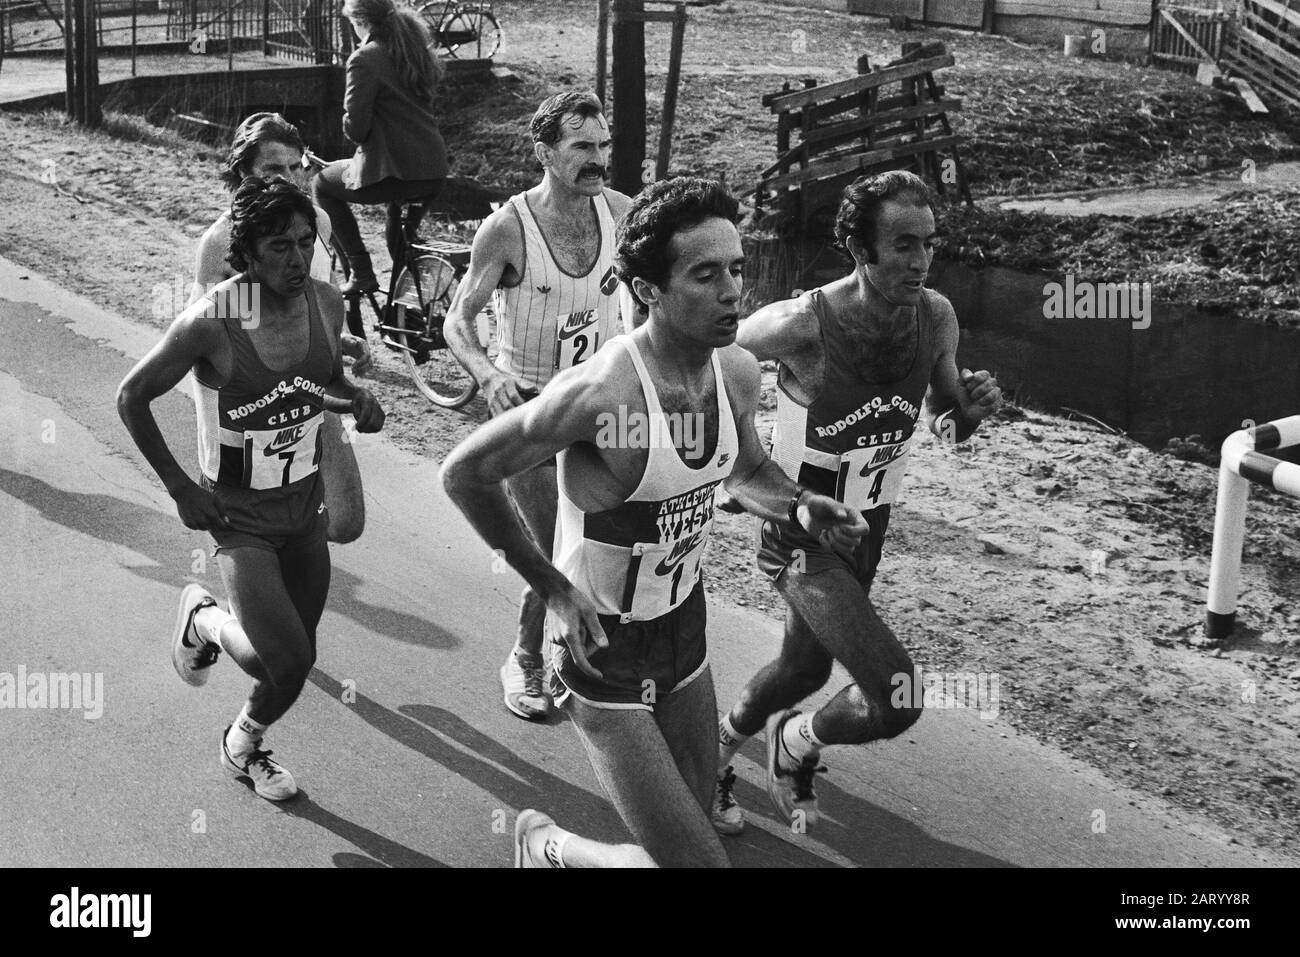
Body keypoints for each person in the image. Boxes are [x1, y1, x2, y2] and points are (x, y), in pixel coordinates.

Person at [441, 177, 870, 867]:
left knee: (687, 833)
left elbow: (746, 468)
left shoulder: (735, 371)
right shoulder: (601, 392)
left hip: (685, 637)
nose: (733, 291)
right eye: (705, 274)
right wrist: (550, 586)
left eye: (737, 268)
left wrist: (799, 505)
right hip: (601, 651)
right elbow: (464, 473)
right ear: (649, 290)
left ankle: (551, 848)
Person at [709, 170, 1003, 836]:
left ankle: (721, 745)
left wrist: (971, 409)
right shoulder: (801, 323)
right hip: (802, 534)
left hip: (869, 527)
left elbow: (948, 422)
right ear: (859, 248)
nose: (921, 260)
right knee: (899, 695)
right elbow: (702, 361)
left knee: (801, 666)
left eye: (929, 243)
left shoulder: (938, 316)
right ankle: (796, 743)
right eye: (903, 244)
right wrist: (740, 471)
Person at [118, 178, 385, 801]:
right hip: (238, 514)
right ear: (246, 253)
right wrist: (181, 486)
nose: (298, 259)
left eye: (305, 242)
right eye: (279, 247)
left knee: (292, 659)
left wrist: (356, 401)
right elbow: (132, 397)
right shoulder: (213, 320)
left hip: (303, 502)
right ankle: (207, 622)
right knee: (284, 662)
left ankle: (244, 744)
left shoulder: (325, 301)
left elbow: (320, 384)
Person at [444, 90, 631, 721]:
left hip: (601, 407)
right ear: (545, 152)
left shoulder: (625, 214)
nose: (598, 158)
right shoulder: (507, 229)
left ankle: (582, 644)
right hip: (529, 410)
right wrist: (486, 371)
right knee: (555, 542)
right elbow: (457, 318)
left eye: (604, 145)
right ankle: (525, 656)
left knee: (601, 535)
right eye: (582, 146)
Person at [193, 111, 370, 544]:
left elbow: (312, 305)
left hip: (309, 389)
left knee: (345, 522)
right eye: (274, 169)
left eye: (296, 167)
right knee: (255, 535)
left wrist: (337, 338)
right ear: (243, 174)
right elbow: (220, 336)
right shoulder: (223, 243)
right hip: (248, 407)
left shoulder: (317, 222)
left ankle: (282, 554)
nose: (290, 180)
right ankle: (251, 578)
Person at [312, 0, 449, 295]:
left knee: (322, 183)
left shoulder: (364, 58)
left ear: (361, 21)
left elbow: (358, 129)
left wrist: (348, 121)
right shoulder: (411, 50)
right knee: (399, 239)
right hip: (433, 168)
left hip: (397, 172)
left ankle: (361, 271)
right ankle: (409, 306)